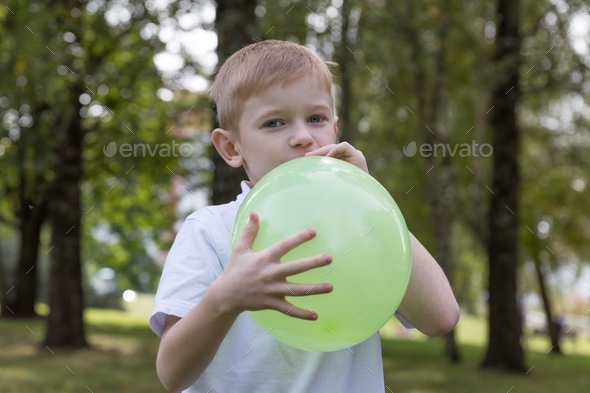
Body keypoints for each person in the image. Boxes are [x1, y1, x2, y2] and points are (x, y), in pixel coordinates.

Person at [150, 40, 460, 393]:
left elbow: (441, 317)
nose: (302, 137)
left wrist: (369, 195)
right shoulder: (210, 231)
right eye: (274, 123)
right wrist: (225, 299)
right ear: (231, 147)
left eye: (316, 118)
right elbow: (172, 374)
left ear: (335, 127)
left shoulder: (360, 224)